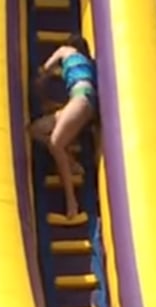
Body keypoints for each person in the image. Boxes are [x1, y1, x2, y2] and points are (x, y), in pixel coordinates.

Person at [29, 34, 98, 220]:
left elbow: (45, 70)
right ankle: (70, 161)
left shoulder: (65, 50)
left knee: (55, 144)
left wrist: (38, 83)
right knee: (34, 130)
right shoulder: (87, 64)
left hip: (80, 100)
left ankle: (71, 200)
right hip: (80, 101)